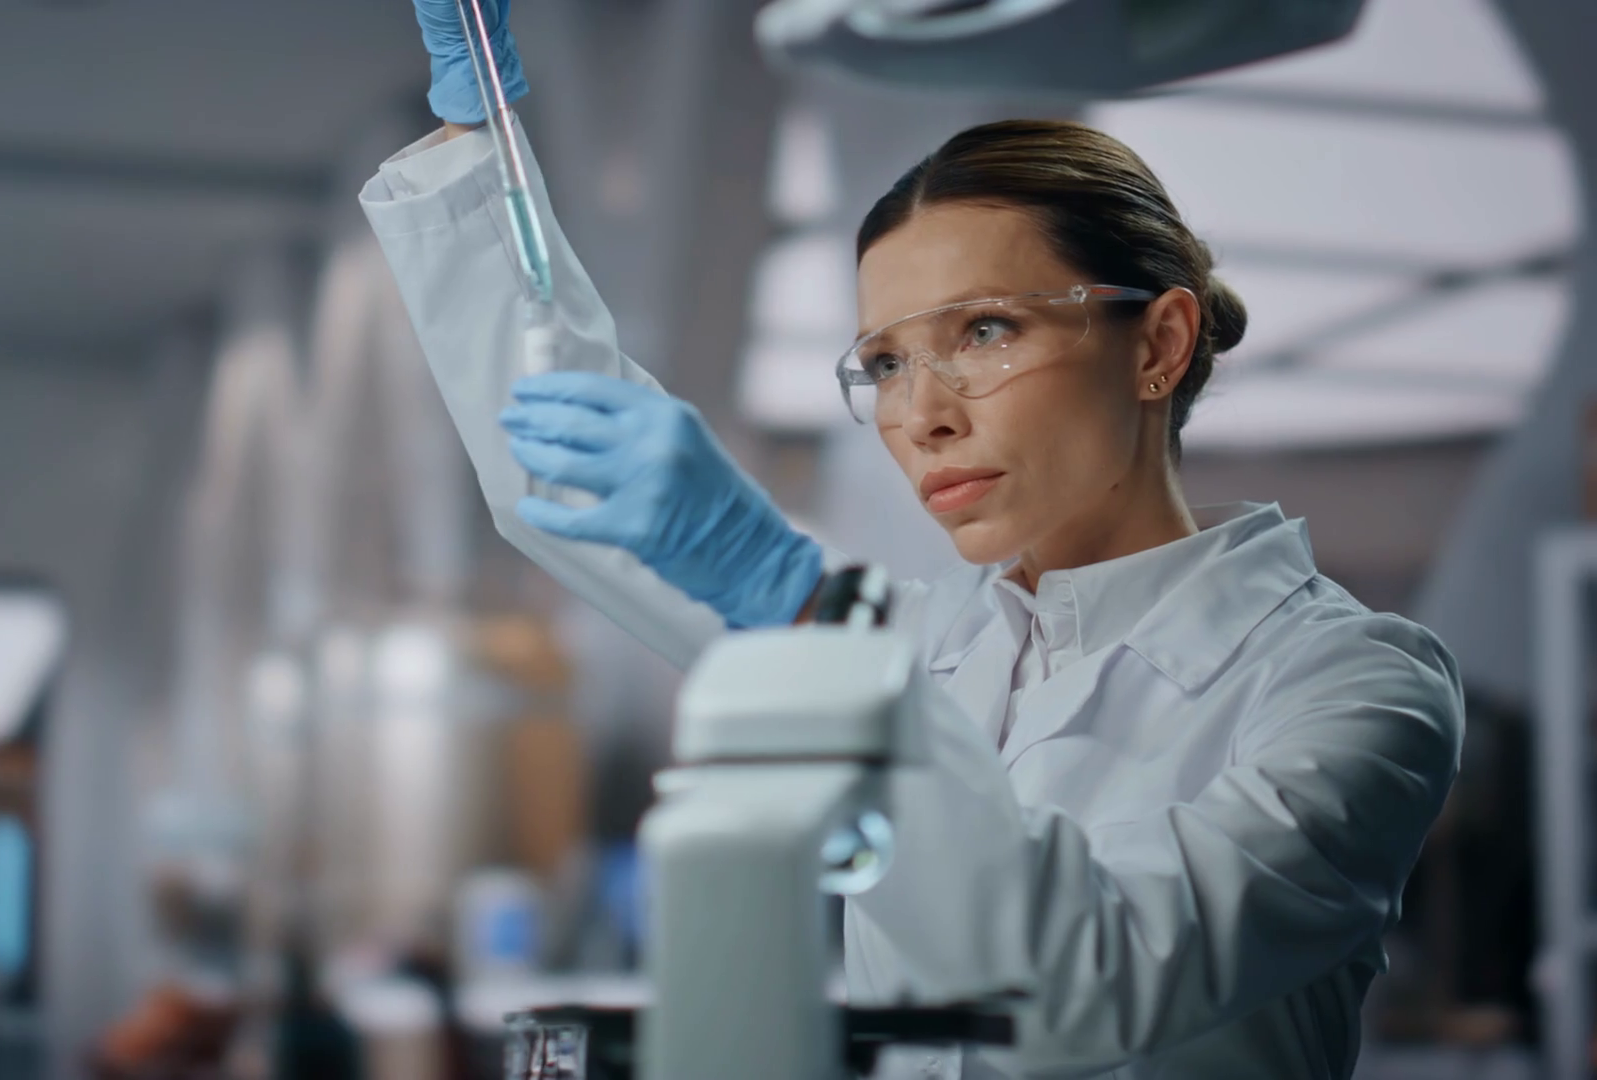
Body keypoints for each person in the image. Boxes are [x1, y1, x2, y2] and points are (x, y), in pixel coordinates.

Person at [361, 4, 1464, 1077]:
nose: (922, 414)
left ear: (1158, 345)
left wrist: (797, 604)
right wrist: (478, 140)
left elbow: (1086, 984)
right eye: (886, 363)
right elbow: (564, 475)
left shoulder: (1349, 683)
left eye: (986, 330)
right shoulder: (920, 641)